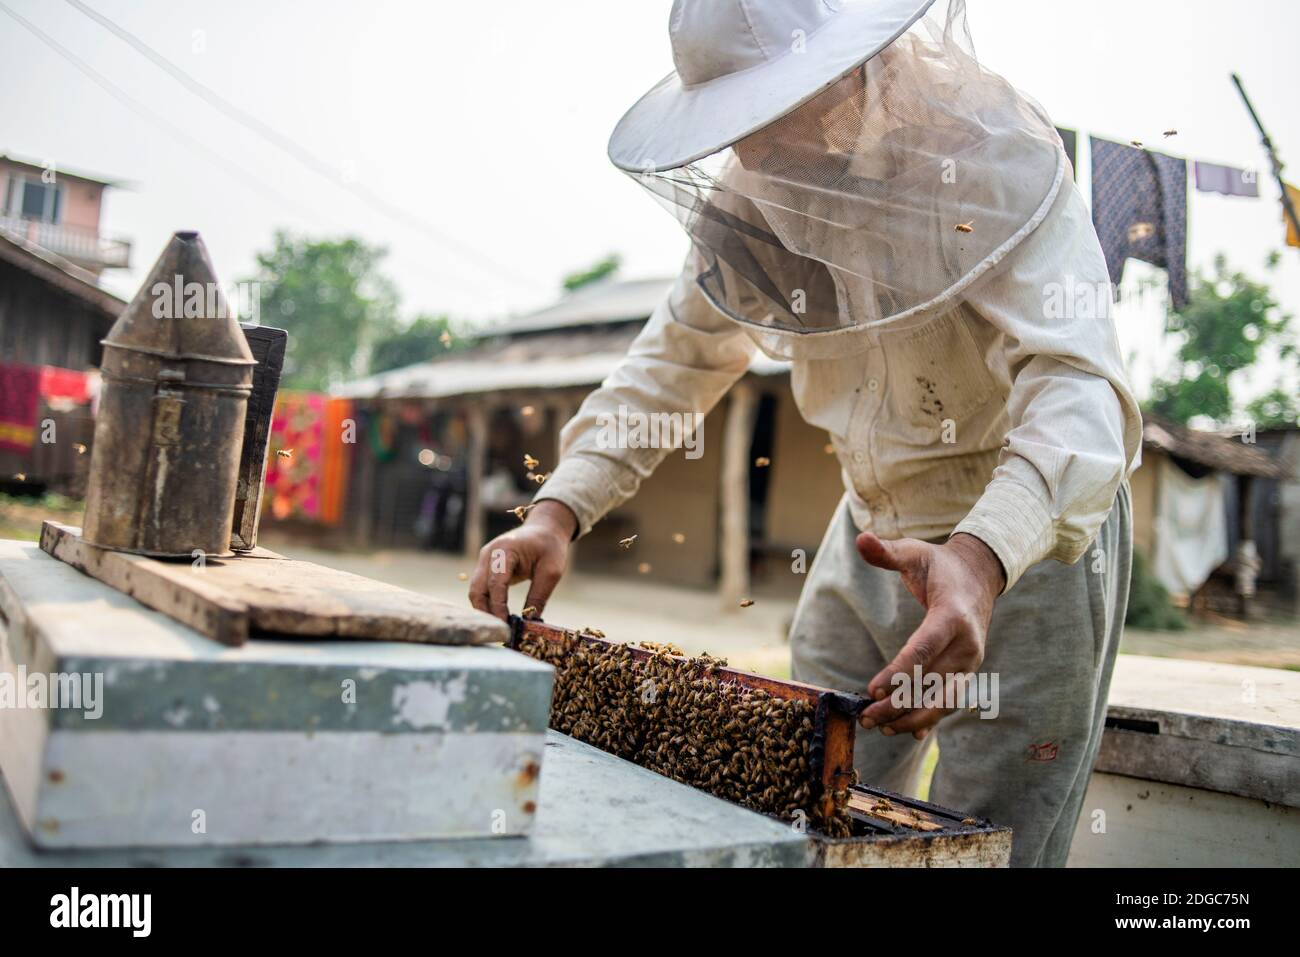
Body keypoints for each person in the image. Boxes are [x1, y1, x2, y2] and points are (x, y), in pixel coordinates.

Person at [469, 0, 1141, 867]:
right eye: (739, 123)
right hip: (868, 529)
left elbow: (1079, 384)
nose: (755, 151)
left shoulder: (990, 158)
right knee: (803, 802)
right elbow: (676, 359)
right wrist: (559, 508)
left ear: (853, 66)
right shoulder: (752, 199)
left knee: (992, 838)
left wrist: (981, 558)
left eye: (777, 111)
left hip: (1028, 542)